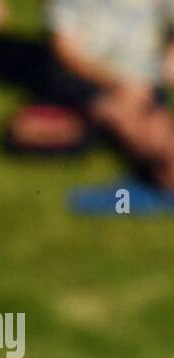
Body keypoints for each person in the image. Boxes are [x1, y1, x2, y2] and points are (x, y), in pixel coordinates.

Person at [44, 0, 174, 205]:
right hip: (89, 79)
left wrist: (167, 60)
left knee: (153, 125)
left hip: (144, 81)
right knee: (132, 120)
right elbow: (65, 51)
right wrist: (118, 83)